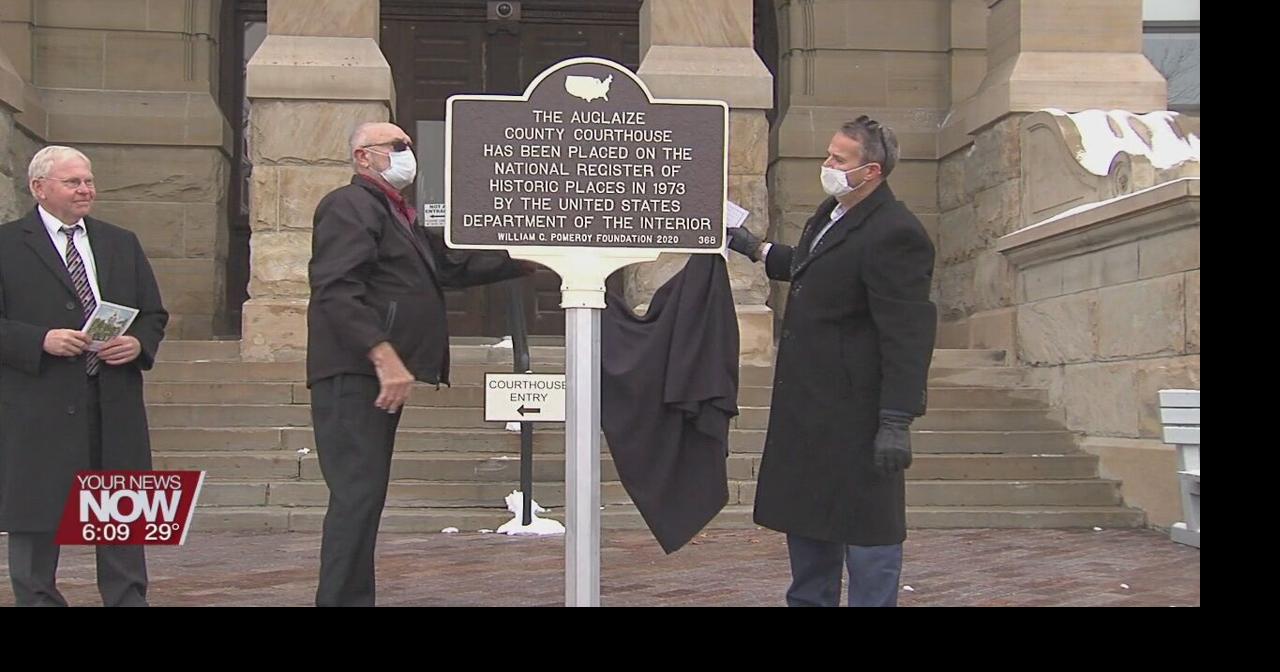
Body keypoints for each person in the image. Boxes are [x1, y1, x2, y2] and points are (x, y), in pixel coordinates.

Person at [307, 121, 533, 606]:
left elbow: (451, 264)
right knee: (355, 496)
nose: (409, 153)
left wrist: (529, 253)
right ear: (363, 157)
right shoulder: (349, 207)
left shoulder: (396, 215)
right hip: (354, 375)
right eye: (397, 146)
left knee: (364, 498)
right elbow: (336, 290)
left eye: (409, 145)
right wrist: (384, 355)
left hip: (376, 377)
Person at [727, 116, 937, 607]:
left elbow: (907, 333)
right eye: (829, 154)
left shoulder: (896, 232)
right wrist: (755, 247)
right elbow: (812, 268)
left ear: (872, 171)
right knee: (809, 523)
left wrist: (897, 419)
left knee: (868, 533)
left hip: (858, 413)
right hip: (811, 409)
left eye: (839, 160)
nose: (827, 165)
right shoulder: (832, 214)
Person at [0, 145, 168, 607]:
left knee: (120, 509)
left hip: (112, 399)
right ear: (39, 188)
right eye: (73, 182)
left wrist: (138, 344)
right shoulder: (8, 244)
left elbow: (152, 313)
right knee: (37, 518)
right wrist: (40, 341)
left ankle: (127, 598)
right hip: (40, 403)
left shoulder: (120, 242)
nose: (86, 189)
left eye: (89, 181)